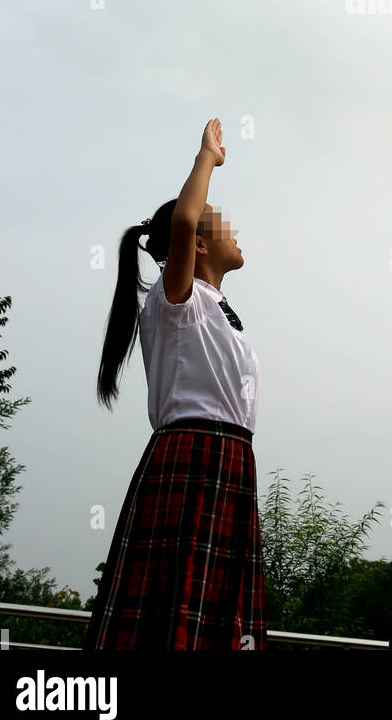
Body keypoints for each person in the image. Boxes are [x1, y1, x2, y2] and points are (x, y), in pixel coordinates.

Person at [84, 118, 266, 651]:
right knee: (173, 615)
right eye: (221, 223)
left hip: (229, 460)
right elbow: (185, 221)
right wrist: (206, 158)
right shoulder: (173, 300)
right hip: (192, 456)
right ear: (200, 247)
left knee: (213, 616)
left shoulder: (215, 306)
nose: (232, 228)